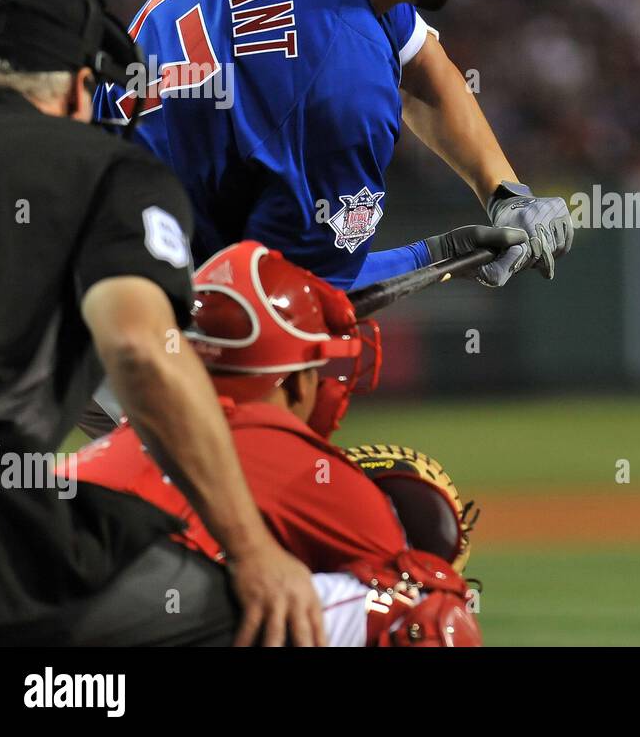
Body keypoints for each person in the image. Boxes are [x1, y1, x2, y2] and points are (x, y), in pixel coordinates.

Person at [0, 0, 324, 646]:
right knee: (263, 613)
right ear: (80, 88)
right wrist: (252, 549)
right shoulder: (107, 169)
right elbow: (140, 348)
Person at [95, 0, 573, 292]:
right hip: (123, 275)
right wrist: (443, 255)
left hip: (84, 157)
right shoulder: (347, 90)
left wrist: (505, 193)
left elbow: (424, 69)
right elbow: (298, 297)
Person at [68, 241, 481, 646]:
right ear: (296, 380)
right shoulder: (292, 456)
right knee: (426, 611)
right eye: (318, 367)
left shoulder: (133, 430)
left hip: (35, 625)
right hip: (101, 626)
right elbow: (407, 571)